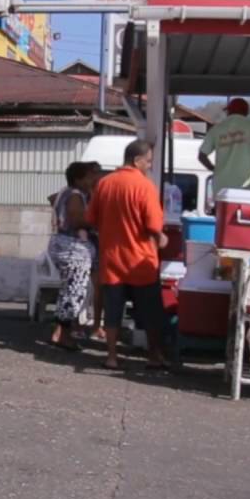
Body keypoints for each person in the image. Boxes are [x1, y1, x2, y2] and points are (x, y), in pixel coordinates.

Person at [86, 139, 170, 371]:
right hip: (140, 261)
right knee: (151, 311)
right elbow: (154, 224)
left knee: (112, 311)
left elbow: (91, 219)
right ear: (136, 160)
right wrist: (162, 238)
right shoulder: (144, 186)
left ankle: (111, 357)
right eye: (148, 161)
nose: (149, 166)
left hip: (112, 259)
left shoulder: (104, 184)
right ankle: (154, 355)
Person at [47, 162, 100, 352]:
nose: (94, 179)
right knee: (74, 292)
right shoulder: (76, 196)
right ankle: (64, 337)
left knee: (69, 291)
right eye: (89, 176)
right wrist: (97, 220)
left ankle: (59, 333)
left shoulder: (65, 192)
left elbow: (51, 198)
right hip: (73, 249)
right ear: (78, 179)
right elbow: (77, 219)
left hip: (64, 245)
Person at [198, 98, 250, 197]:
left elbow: (202, 156)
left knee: (224, 212)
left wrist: (214, 169)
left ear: (230, 111)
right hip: (247, 185)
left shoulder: (216, 129)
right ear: (246, 112)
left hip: (222, 187)